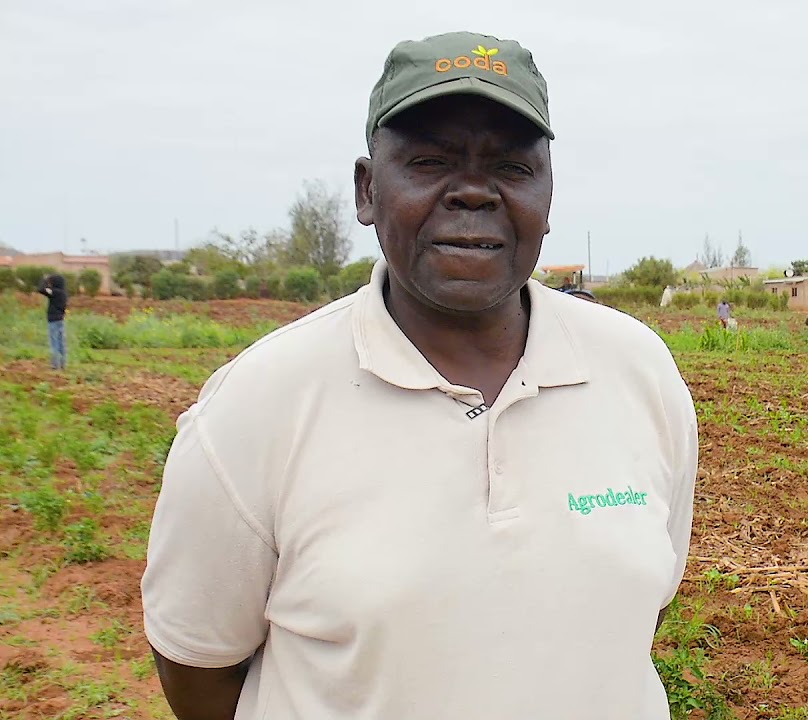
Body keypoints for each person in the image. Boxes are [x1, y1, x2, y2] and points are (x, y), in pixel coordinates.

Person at [141, 31, 698, 720]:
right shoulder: (257, 406)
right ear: (368, 189)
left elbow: (635, 611)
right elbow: (197, 667)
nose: (472, 192)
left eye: (512, 168)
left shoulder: (638, 370)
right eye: (430, 161)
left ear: (548, 198)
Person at [37, 273, 68, 370]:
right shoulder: (64, 293)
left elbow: (41, 290)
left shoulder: (54, 292)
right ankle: (63, 364)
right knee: (61, 343)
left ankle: (55, 365)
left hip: (53, 320)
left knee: (54, 343)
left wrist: (45, 279)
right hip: (61, 320)